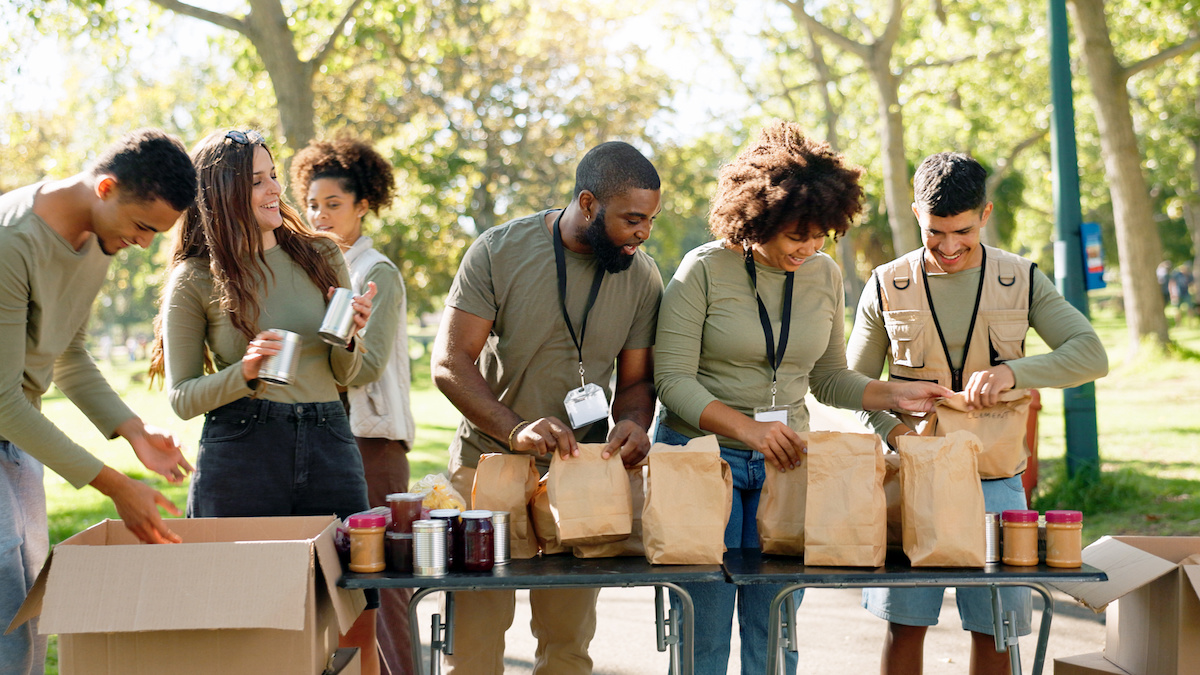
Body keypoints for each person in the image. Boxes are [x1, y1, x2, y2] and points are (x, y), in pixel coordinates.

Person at [653, 120, 951, 675]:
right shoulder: (704, 270)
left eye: (821, 235)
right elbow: (672, 382)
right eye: (797, 235)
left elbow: (829, 377)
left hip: (784, 463)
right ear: (758, 217)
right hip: (699, 459)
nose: (810, 247)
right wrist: (747, 430)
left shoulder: (824, 275)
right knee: (704, 630)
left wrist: (897, 393)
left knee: (777, 626)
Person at [847, 152, 1109, 675]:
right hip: (912, 476)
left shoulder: (1022, 277)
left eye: (962, 231)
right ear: (917, 212)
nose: (948, 247)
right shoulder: (884, 283)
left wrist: (1015, 372)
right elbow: (853, 385)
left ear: (984, 214)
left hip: (997, 481)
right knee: (906, 625)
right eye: (935, 231)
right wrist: (897, 434)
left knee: (996, 630)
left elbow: (1091, 354)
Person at [148, 129, 382, 675]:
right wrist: (245, 372)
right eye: (257, 181)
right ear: (222, 193)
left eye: (273, 174)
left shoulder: (322, 254)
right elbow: (183, 398)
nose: (275, 188)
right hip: (241, 452)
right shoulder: (195, 278)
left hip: (328, 438)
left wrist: (350, 335)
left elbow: (347, 372)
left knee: (354, 606)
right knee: (240, 618)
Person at [431, 141, 663, 675]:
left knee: (567, 644)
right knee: (474, 642)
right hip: (486, 468)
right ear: (588, 204)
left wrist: (632, 423)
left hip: (578, 474)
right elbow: (449, 362)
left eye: (650, 219)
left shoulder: (642, 275)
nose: (643, 232)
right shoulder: (498, 250)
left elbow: (635, 380)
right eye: (632, 219)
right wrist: (515, 431)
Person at [0, 128, 197, 675]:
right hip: (8, 419)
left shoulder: (97, 239)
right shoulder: (12, 241)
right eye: (143, 226)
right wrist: (115, 486)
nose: (144, 243)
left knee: (31, 613)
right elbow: (1, 401)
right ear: (105, 187)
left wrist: (135, 433)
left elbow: (69, 355)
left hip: (19, 442)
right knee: (3, 621)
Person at [291, 136, 417, 674]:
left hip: (373, 442)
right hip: (323, 440)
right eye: (312, 204)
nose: (319, 216)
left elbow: (365, 367)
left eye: (333, 204)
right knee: (332, 587)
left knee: (384, 588)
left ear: (362, 204)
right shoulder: (307, 269)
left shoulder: (375, 273)